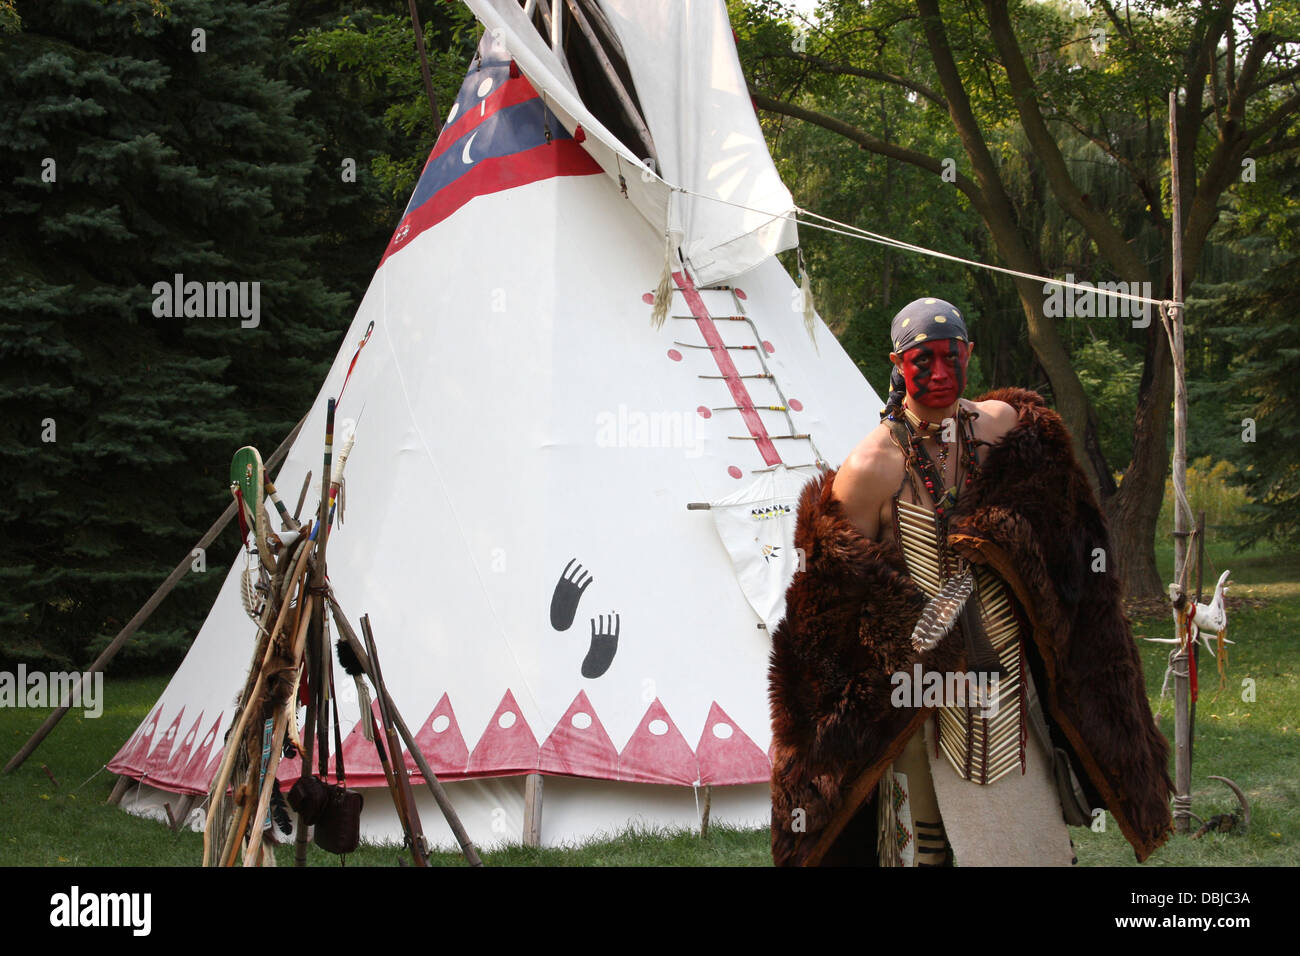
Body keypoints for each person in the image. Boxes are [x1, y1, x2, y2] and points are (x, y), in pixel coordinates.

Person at [768, 297, 1172, 866]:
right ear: (896, 362)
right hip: (921, 700)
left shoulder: (1005, 429)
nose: (938, 374)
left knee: (1030, 843)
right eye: (921, 360)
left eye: (950, 358)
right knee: (927, 851)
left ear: (970, 355)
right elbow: (828, 613)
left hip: (1010, 684)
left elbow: (1070, 538)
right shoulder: (871, 469)